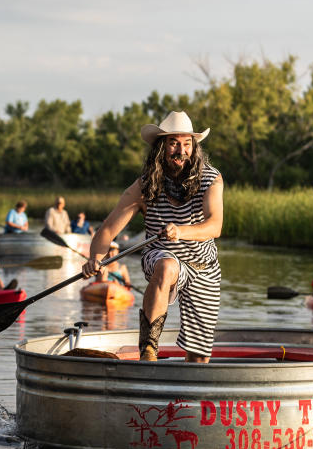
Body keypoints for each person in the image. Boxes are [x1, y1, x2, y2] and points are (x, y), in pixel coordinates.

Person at [81, 111, 223, 363]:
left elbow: (214, 226)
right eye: (173, 143)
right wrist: (95, 257)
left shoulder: (211, 179)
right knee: (167, 266)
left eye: (187, 143)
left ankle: (183, 397)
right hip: (160, 256)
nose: (181, 150)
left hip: (204, 266)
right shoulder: (144, 186)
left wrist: (181, 231)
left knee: (199, 358)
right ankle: (148, 350)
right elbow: (109, 229)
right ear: (161, 147)